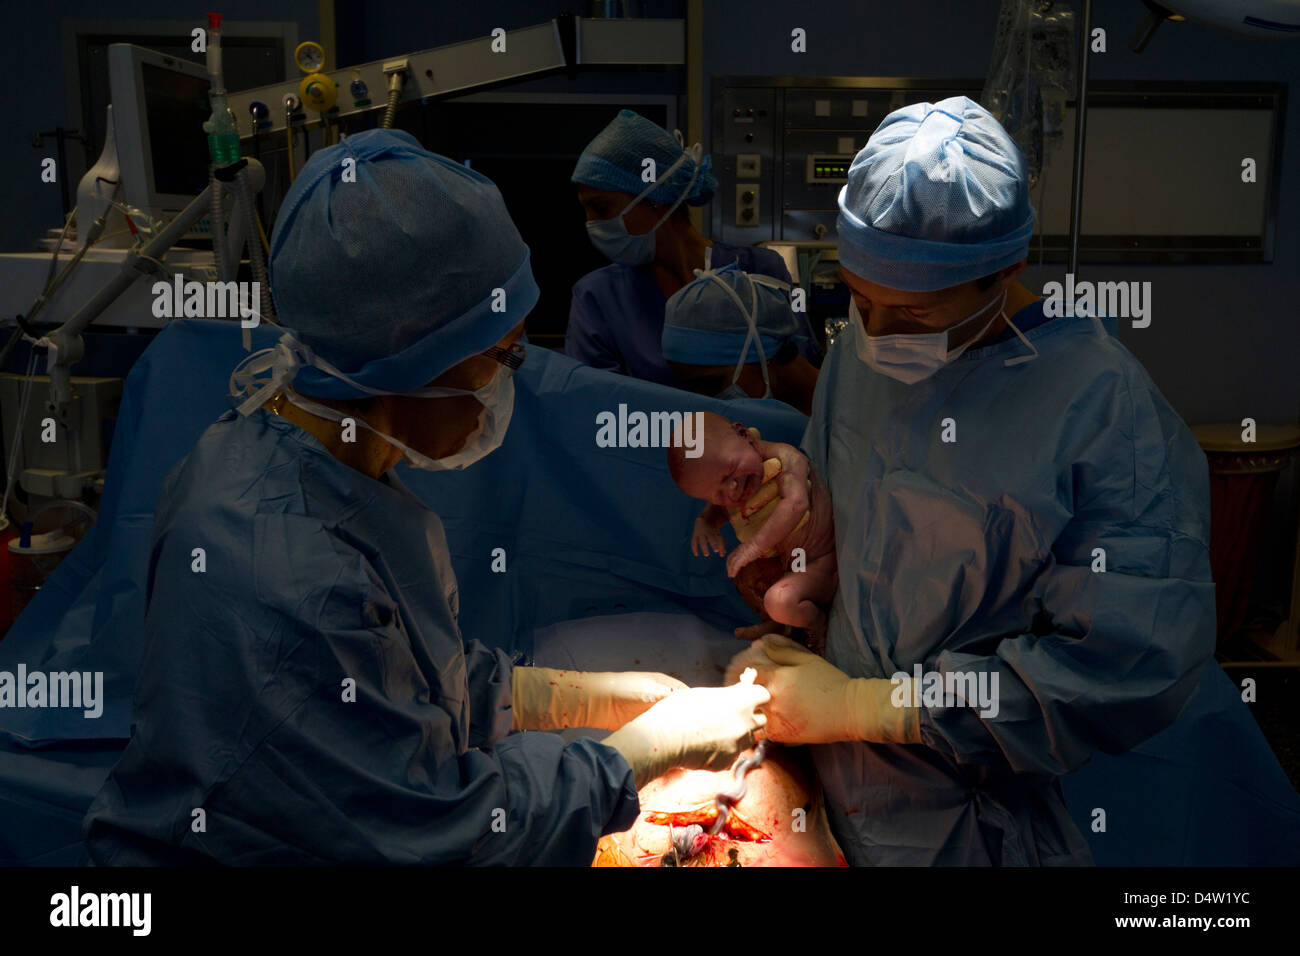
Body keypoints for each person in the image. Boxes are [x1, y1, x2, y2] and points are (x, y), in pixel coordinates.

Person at [82, 129, 768, 866]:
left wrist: (583, 696)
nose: (513, 378)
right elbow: (444, 837)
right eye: (500, 355)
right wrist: (630, 758)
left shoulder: (305, 458)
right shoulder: (292, 577)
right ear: (412, 360)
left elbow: (399, 682)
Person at [726, 97, 1216, 865]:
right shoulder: (857, 352)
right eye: (860, 301)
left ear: (1007, 272)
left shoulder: (1099, 408)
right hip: (831, 783)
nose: (879, 337)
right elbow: (861, 523)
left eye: (915, 314)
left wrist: (871, 707)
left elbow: (1130, 667)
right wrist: (804, 605)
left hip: (968, 814)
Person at [568, 109, 816, 385]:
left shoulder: (763, 271)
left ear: (655, 197)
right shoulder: (597, 295)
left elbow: (801, 373)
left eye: (600, 208)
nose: (591, 223)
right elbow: (594, 400)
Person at [662, 263, 820, 412]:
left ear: (768, 358)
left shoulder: (839, 413)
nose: (703, 403)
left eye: (710, 385)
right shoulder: (765, 421)